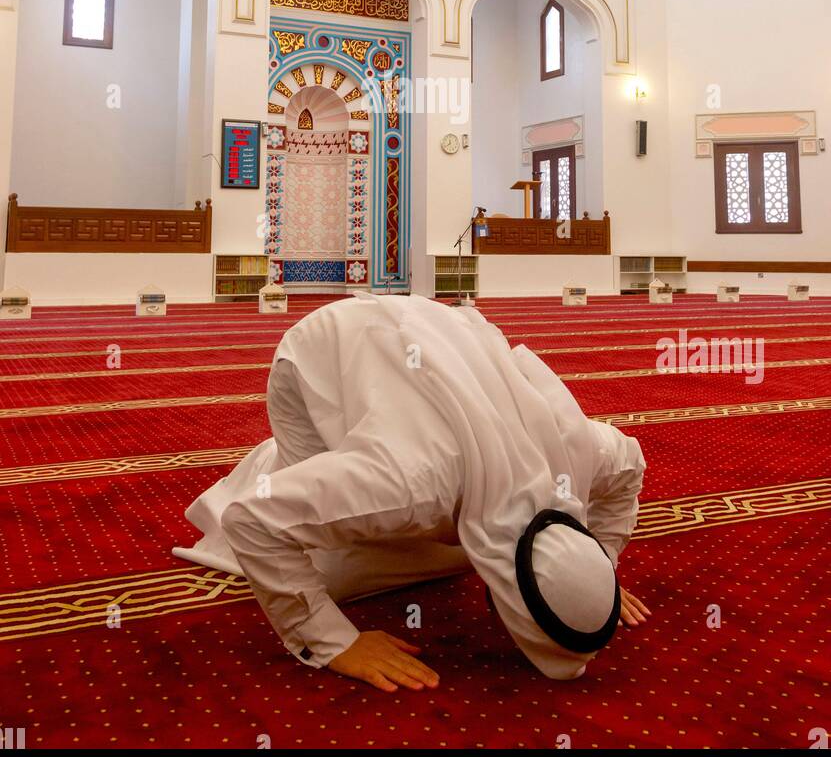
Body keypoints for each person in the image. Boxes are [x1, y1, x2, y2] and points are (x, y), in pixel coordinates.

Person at [174, 294, 648, 692]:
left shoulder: (580, 454)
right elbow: (252, 518)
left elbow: (632, 466)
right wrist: (335, 641)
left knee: (384, 510)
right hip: (324, 347)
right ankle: (320, 469)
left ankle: (343, 467)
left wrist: (597, 565)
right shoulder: (411, 484)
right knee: (334, 550)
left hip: (439, 341)